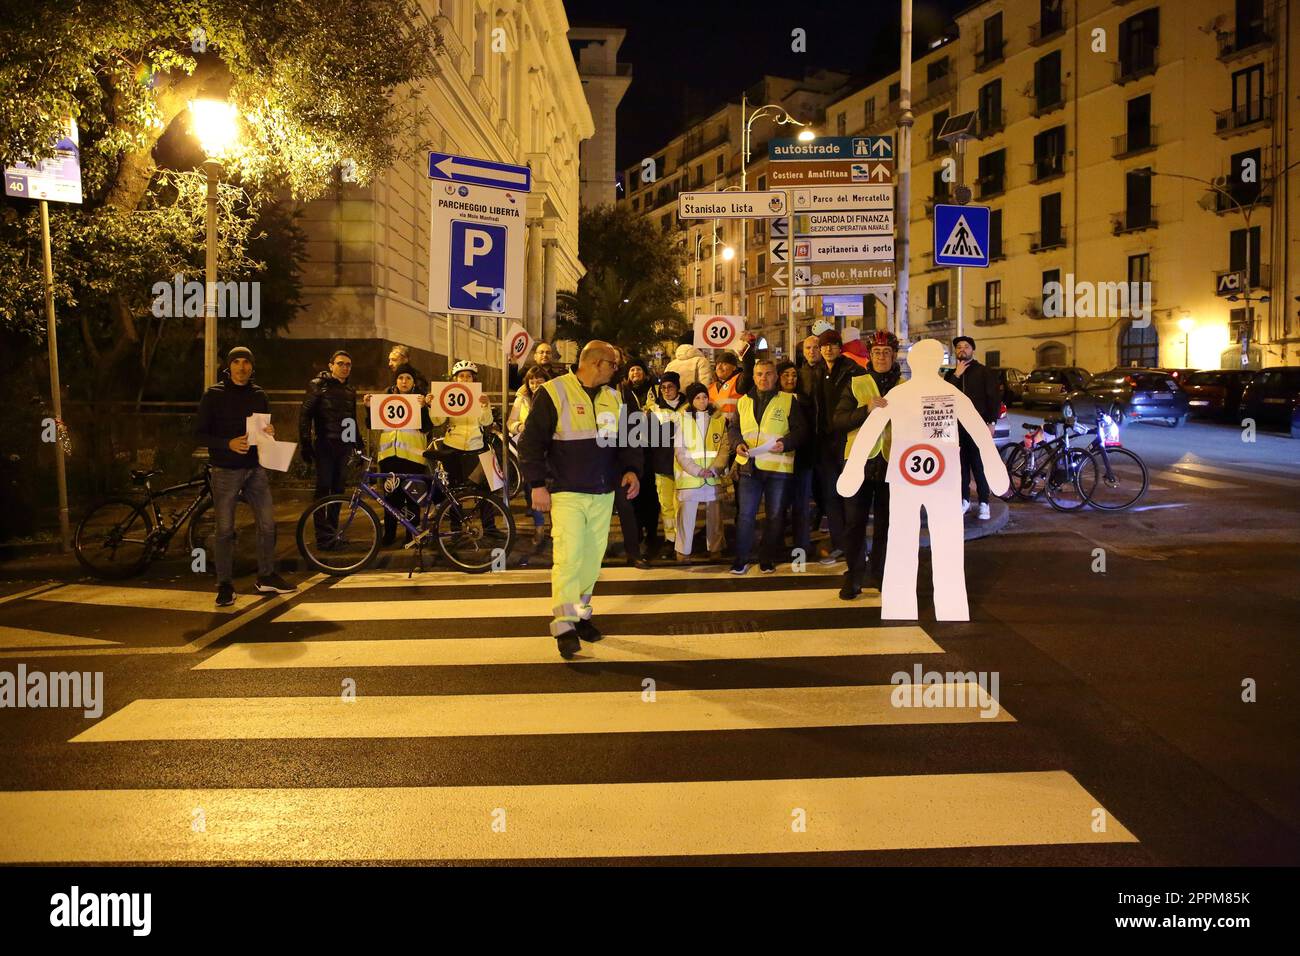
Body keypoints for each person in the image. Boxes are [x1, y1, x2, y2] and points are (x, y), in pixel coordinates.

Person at [518, 340, 642, 659]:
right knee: (569, 558)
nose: (617, 370)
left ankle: (580, 615)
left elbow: (628, 440)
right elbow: (531, 443)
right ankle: (564, 626)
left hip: (603, 492)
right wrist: (536, 485)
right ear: (596, 363)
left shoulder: (615, 396)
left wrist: (631, 469)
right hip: (567, 492)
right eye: (613, 364)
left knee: (591, 561)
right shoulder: (554, 392)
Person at [194, 346, 296, 606]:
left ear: (252, 366)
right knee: (225, 530)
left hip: (255, 467)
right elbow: (199, 434)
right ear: (229, 366)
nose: (242, 367)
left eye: (246, 362)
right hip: (225, 470)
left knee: (268, 524)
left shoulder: (259, 395)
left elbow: (263, 429)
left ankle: (266, 576)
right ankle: (224, 585)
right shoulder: (213, 395)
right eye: (237, 362)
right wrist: (227, 443)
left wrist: (270, 431)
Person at [833, 330, 901, 599]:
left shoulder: (905, 385)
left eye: (886, 352)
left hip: (892, 464)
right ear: (869, 356)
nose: (881, 357)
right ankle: (854, 576)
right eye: (876, 352)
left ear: (894, 356)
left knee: (887, 524)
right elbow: (838, 420)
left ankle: (881, 574)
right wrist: (865, 410)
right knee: (854, 524)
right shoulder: (856, 383)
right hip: (859, 463)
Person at [729, 357, 809, 574]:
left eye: (768, 374)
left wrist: (785, 443)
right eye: (759, 374)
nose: (763, 378)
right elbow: (734, 428)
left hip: (777, 468)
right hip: (749, 466)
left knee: (774, 516)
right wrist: (737, 444)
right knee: (746, 515)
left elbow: (801, 431)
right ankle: (741, 559)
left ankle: (766, 559)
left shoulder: (788, 400)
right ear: (754, 377)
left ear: (776, 377)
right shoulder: (743, 401)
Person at [299, 350, 361, 548]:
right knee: (323, 489)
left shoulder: (350, 390)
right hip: (325, 443)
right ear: (331, 365)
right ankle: (323, 537)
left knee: (339, 490)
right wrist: (305, 443)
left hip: (344, 445)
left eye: (348, 364)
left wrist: (358, 445)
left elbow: (351, 420)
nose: (345, 367)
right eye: (340, 363)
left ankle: (333, 534)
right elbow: (305, 415)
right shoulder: (318, 385)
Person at [812, 329, 863, 564]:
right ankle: (839, 543)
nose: (828, 349)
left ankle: (855, 544)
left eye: (832, 345)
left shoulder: (853, 371)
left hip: (848, 439)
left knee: (850, 494)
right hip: (824, 442)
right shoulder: (816, 372)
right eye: (824, 345)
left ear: (840, 347)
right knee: (831, 495)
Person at [376, 363, 434, 546]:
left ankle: (412, 535)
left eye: (408, 378)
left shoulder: (420, 400)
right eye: (400, 378)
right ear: (396, 381)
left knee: (412, 498)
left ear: (413, 382)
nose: (404, 381)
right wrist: (370, 408)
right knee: (390, 498)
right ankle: (390, 534)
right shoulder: (386, 400)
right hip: (389, 457)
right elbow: (372, 423)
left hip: (412, 458)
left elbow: (427, 427)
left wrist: (424, 408)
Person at [945, 335, 1002, 520]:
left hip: (977, 426)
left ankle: (984, 502)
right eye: (959, 347)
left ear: (972, 350)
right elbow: (944, 397)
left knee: (978, 464)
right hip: (955, 428)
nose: (962, 349)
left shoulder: (984, 372)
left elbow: (993, 398)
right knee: (959, 466)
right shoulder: (950, 374)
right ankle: (964, 500)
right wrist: (956, 375)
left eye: (966, 346)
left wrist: (992, 422)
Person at [673, 383, 730, 563]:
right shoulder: (682, 420)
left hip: (712, 476)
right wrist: (696, 470)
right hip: (691, 477)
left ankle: (715, 548)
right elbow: (680, 451)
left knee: (715, 515)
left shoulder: (719, 420)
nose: (702, 401)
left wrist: (715, 468)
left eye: (704, 396)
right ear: (691, 401)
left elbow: (724, 448)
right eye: (697, 398)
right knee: (686, 516)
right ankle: (683, 551)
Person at [508, 364, 552, 552]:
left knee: (554, 489)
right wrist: (520, 426)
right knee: (533, 488)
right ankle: (539, 528)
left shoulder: (554, 397)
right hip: (530, 450)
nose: (535, 385)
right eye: (532, 382)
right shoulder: (522, 400)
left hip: (551, 450)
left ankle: (556, 527)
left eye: (539, 381)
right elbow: (510, 422)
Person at [777, 358, 816, 562]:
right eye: (786, 375)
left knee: (801, 505)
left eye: (794, 375)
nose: (790, 379)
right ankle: (777, 545)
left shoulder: (805, 400)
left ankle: (801, 547)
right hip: (778, 460)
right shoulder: (773, 399)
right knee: (779, 505)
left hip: (803, 458)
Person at [644, 371, 685, 554]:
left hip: (685, 465)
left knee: (683, 504)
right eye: (663, 388)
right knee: (667, 504)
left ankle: (683, 538)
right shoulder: (654, 410)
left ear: (678, 388)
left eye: (670, 387)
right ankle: (671, 539)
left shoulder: (689, 407)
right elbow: (649, 439)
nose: (666, 390)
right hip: (662, 464)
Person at [707, 346, 754, 422]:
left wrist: (746, 350)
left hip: (734, 427)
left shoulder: (739, 381)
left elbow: (749, 369)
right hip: (714, 427)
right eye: (718, 364)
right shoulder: (711, 387)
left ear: (734, 367)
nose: (719, 367)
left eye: (724, 364)